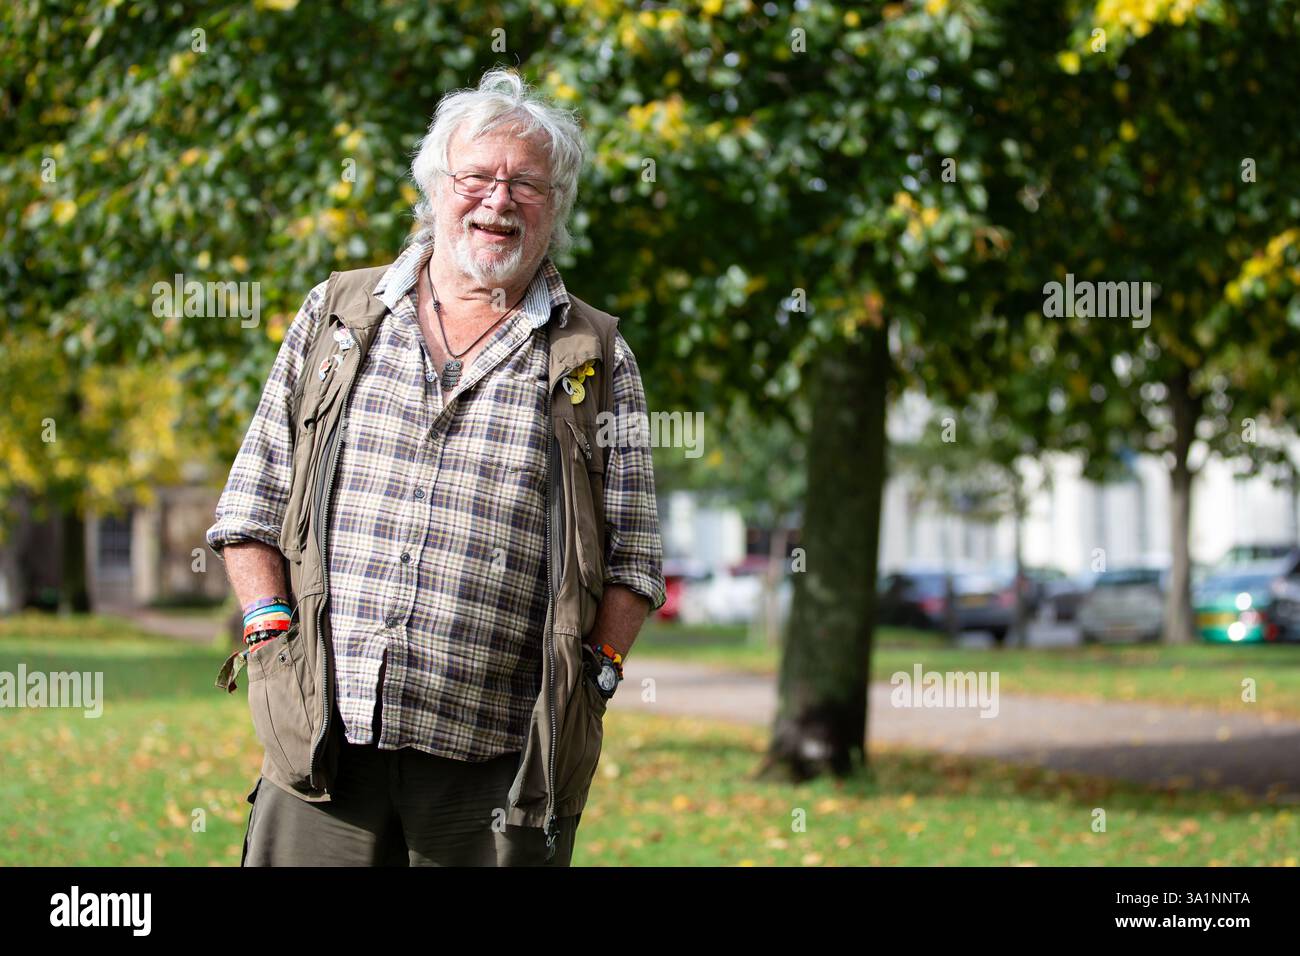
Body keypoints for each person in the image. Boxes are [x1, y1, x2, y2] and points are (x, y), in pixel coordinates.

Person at [206, 67, 665, 866]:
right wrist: (270, 635)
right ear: (432, 189)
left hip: (499, 764)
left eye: (526, 184)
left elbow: (635, 561)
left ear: (555, 207)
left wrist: (593, 678)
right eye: (477, 178)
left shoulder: (593, 356)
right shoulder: (338, 316)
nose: (498, 201)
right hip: (321, 747)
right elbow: (251, 503)